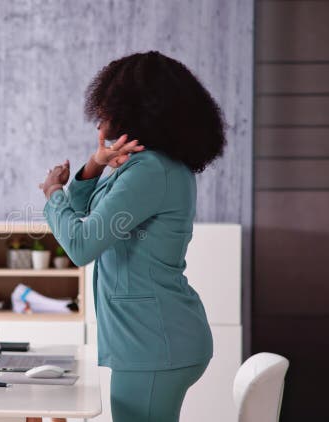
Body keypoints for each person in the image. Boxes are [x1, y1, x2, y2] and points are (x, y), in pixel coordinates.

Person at [40, 51, 225, 422]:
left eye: (108, 108)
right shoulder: (146, 165)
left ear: (133, 111)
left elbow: (81, 245)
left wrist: (52, 194)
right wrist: (95, 164)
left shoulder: (150, 171)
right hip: (153, 339)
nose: (101, 117)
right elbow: (88, 214)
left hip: (153, 344)